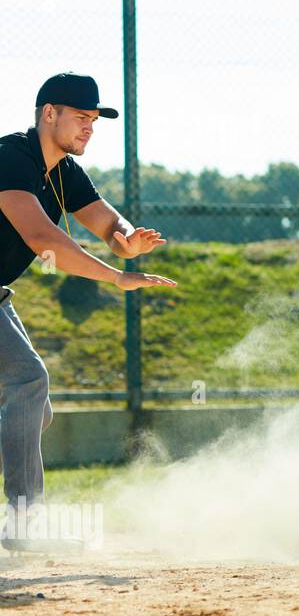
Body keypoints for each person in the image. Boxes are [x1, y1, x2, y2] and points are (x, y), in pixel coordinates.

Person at [0, 73, 176, 553]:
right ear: (48, 114)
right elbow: (44, 240)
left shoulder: (65, 173)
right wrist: (116, 277)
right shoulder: (11, 157)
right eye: (82, 117)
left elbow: (105, 221)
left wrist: (127, 241)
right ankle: (23, 523)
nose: (90, 128)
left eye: (95, 121)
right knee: (28, 385)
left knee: (35, 408)